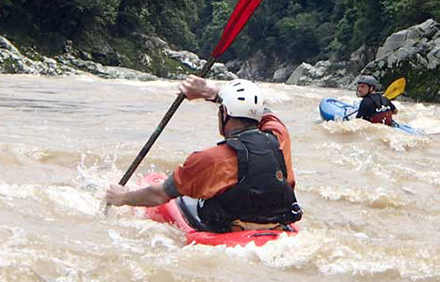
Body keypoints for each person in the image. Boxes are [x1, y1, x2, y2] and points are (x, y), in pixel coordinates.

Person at [104, 76, 302, 233]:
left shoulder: (211, 160)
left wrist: (122, 198)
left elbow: (159, 195)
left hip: (230, 233)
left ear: (224, 113)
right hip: (279, 226)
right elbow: (266, 112)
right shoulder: (279, 137)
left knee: (182, 196)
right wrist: (212, 93)